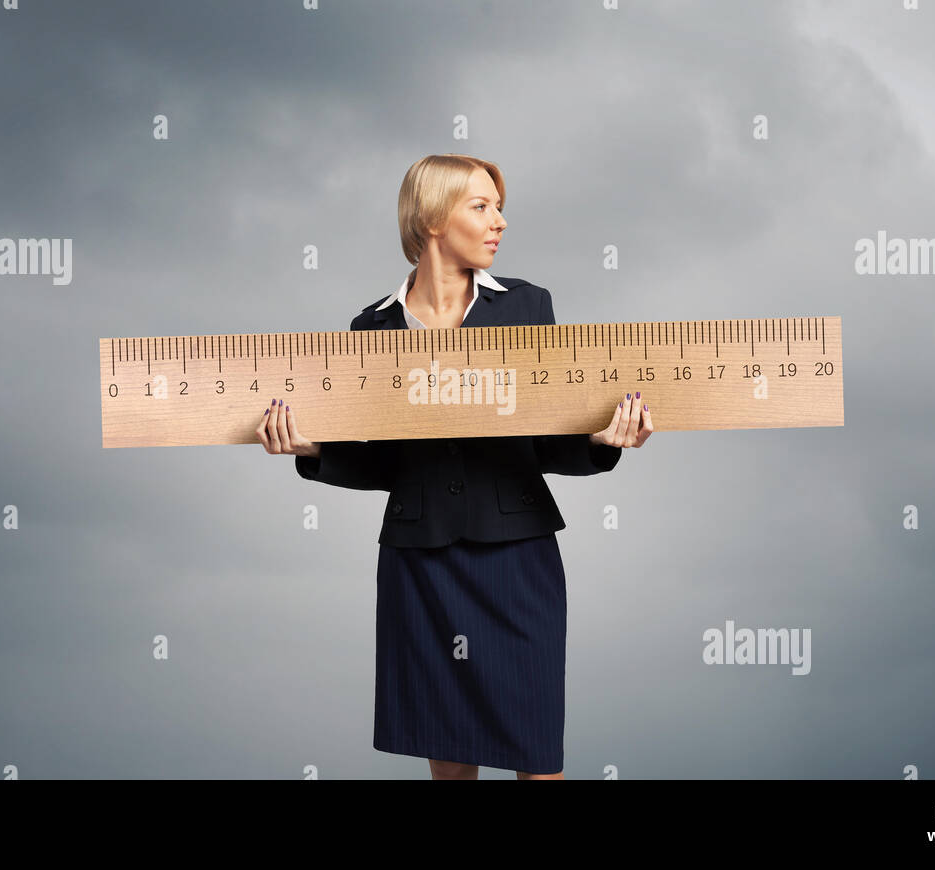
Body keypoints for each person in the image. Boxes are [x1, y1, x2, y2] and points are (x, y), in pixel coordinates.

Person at [255, 154, 654, 779]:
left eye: (499, 208)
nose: (499, 222)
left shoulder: (527, 307)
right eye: (481, 206)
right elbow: (386, 462)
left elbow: (546, 443)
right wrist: (312, 450)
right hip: (422, 558)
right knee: (449, 751)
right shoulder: (371, 329)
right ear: (432, 217)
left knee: (537, 749)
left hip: (517, 556)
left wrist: (604, 442)